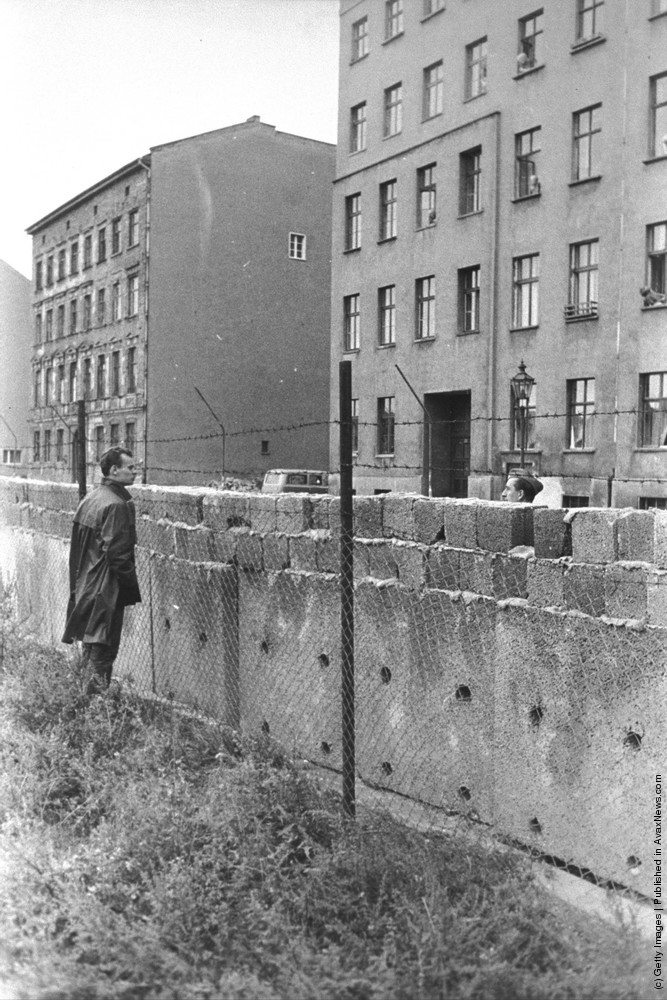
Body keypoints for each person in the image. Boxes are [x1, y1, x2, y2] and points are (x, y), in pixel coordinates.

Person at [63, 447, 141, 690]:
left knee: (90, 650)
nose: (135, 472)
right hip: (105, 590)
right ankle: (95, 710)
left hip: (87, 585)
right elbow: (118, 555)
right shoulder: (116, 505)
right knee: (103, 654)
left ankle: (82, 706)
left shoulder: (92, 498)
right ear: (114, 470)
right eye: (130, 467)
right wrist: (130, 587)